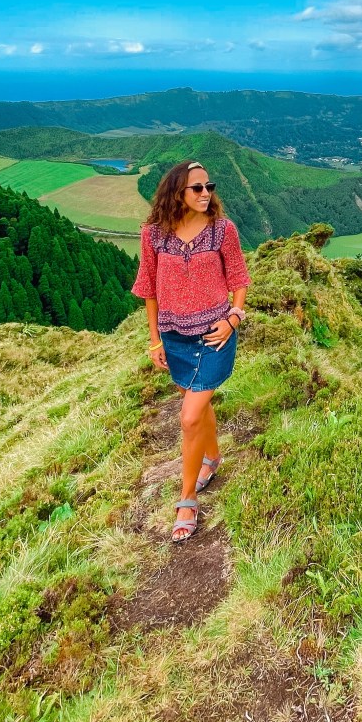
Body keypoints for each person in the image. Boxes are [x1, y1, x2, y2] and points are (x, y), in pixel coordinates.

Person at [132, 160, 250, 542]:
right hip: (174, 337)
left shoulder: (222, 230)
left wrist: (233, 319)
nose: (206, 194)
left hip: (215, 336)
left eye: (208, 187)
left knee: (188, 416)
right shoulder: (153, 235)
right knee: (197, 409)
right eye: (196, 188)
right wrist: (154, 340)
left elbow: (239, 280)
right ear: (176, 192)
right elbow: (148, 288)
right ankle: (211, 458)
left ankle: (186, 500)